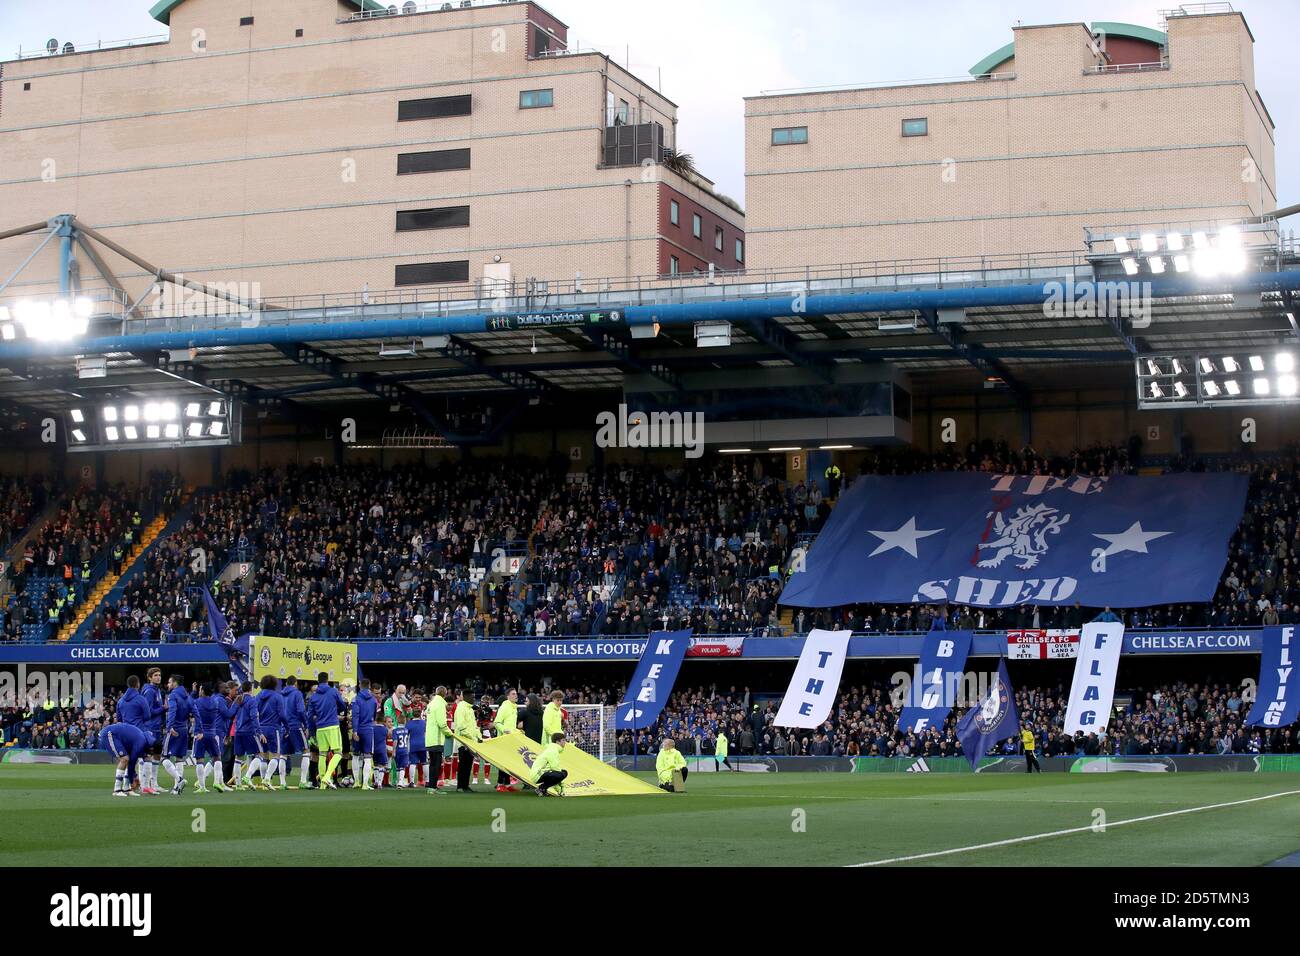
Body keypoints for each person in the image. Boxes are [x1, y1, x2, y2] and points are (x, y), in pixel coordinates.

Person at [308, 672, 345, 788]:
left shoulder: (313, 696)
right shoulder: (333, 691)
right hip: (333, 725)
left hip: (320, 727)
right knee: (338, 753)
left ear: (318, 681)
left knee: (322, 754)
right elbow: (342, 705)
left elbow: (310, 716)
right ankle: (327, 776)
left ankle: (323, 786)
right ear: (327, 680)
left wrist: (312, 732)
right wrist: (336, 709)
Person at [191, 682, 229, 793]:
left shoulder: (197, 702)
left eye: (200, 689)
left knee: (200, 759)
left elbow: (190, 704)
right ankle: (217, 781)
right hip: (212, 734)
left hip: (200, 734)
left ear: (202, 691)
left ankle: (202, 787)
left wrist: (193, 693)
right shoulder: (215, 702)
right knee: (217, 757)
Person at [161, 674, 194, 795]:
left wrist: (169, 727)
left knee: (164, 758)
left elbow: (172, 711)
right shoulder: (188, 696)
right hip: (184, 729)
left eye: (169, 682)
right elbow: (195, 712)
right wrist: (198, 729)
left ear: (175, 683)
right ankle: (177, 788)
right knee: (179, 758)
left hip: (175, 729)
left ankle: (179, 779)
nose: (168, 685)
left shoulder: (173, 695)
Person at [99, 721, 152, 796]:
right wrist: (134, 777)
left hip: (117, 736)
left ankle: (126, 789)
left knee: (131, 759)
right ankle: (117, 790)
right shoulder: (141, 741)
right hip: (109, 734)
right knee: (125, 759)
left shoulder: (141, 739)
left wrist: (134, 776)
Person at [253, 674, 285, 790]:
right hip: (273, 728)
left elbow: (254, 713)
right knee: (276, 755)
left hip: (260, 728)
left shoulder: (257, 696)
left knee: (263, 756)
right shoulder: (277, 696)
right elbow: (282, 714)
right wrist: (286, 726)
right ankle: (267, 778)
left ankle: (263, 782)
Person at [232, 680, 265, 790]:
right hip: (249, 731)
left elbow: (232, 715)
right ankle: (247, 776)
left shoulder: (239, 699)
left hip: (238, 732)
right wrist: (259, 732)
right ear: (251, 689)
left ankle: (238, 785)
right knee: (260, 754)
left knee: (238, 758)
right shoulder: (252, 700)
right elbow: (254, 717)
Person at [281, 675, 311, 789]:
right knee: (306, 751)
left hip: (284, 727)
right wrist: (306, 724)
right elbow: (301, 710)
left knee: (283, 755)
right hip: (295, 726)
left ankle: (283, 783)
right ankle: (303, 781)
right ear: (295, 683)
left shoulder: (281, 694)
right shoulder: (297, 693)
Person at [141, 667, 167, 795]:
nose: (158, 677)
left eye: (159, 675)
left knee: (157, 754)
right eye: (155, 675)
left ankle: (154, 783)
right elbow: (148, 711)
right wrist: (163, 708)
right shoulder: (149, 691)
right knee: (148, 755)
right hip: (150, 727)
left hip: (157, 727)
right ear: (150, 677)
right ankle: (144, 784)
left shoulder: (157, 691)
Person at [351, 678, 379, 790]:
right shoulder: (373, 700)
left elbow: (355, 716)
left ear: (360, 685)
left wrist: (354, 731)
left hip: (358, 729)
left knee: (356, 755)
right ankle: (365, 784)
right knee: (367, 756)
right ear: (369, 686)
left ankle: (356, 782)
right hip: (368, 729)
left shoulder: (356, 699)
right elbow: (373, 715)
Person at [451, 688, 481, 792]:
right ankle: (460, 786)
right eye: (472, 697)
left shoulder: (469, 709)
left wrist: (479, 737)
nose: (474, 699)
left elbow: (474, 726)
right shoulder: (461, 708)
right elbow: (461, 727)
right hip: (463, 742)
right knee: (463, 764)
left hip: (470, 741)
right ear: (466, 697)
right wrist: (472, 738)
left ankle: (465, 786)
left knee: (468, 764)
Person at [424, 685, 450, 793]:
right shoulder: (440, 705)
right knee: (437, 764)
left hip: (430, 738)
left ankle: (431, 786)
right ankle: (433, 787)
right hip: (437, 738)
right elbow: (441, 723)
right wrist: (449, 733)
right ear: (444, 694)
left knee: (433, 764)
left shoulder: (431, 704)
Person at [492, 688, 519, 792]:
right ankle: (500, 784)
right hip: (503, 739)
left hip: (511, 739)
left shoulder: (514, 707)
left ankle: (507, 784)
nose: (516, 695)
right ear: (508, 696)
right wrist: (505, 730)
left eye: (516, 694)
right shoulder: (504, 707)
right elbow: (497, 722)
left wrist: (517, 731)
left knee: (508, 762)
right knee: (503, 762)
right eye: (513, 694)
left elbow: (511, 725)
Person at [531, 732, 568, 796]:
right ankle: (541, 788)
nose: (565, 742)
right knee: (562, 774)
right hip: (538, 774)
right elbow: (555, 768)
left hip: (538, 774)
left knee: (562, 773)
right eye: (563, 740)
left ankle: (542, 789)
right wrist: (561, 788)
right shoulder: (553, 750)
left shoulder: (552, 749)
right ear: (557, 742)